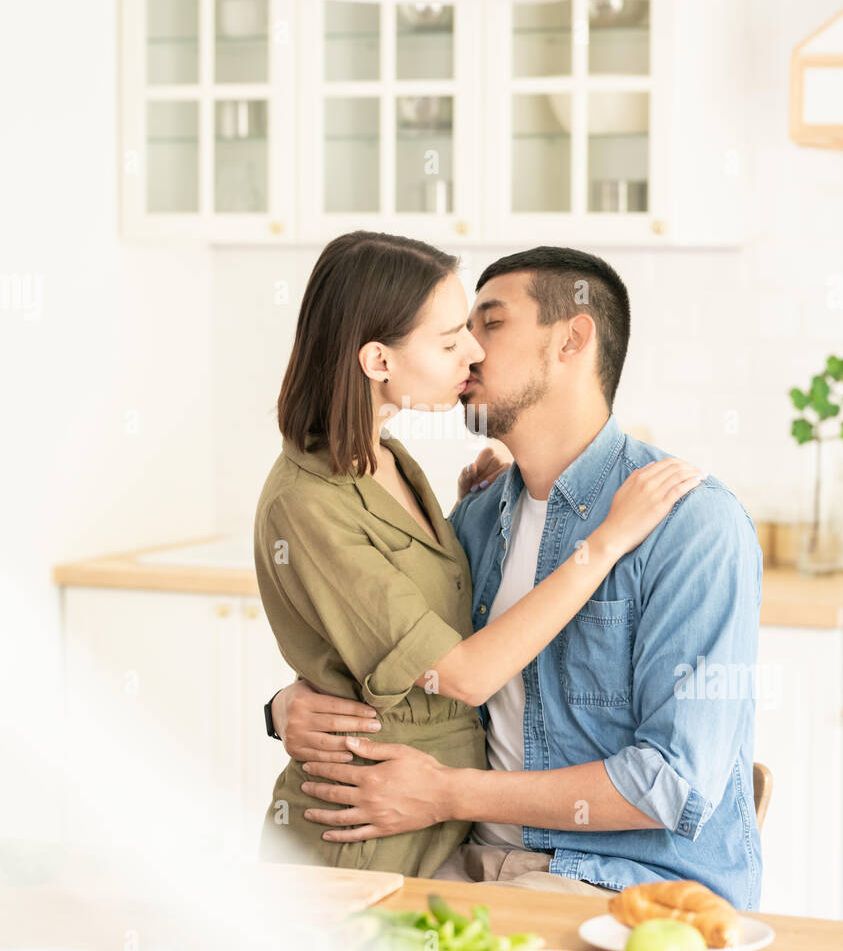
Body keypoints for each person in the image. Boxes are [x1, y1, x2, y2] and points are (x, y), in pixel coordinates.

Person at [273, 246, 764, 909]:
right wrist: (284, 709)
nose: (469, 352)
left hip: (614, 880)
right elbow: (407, 656)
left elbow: (673, 782)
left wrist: (450, 792)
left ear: (572, 338)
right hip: (463, 858)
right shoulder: (472, 520)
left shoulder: (689, 524)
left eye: (491, 324)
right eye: (458, 334)